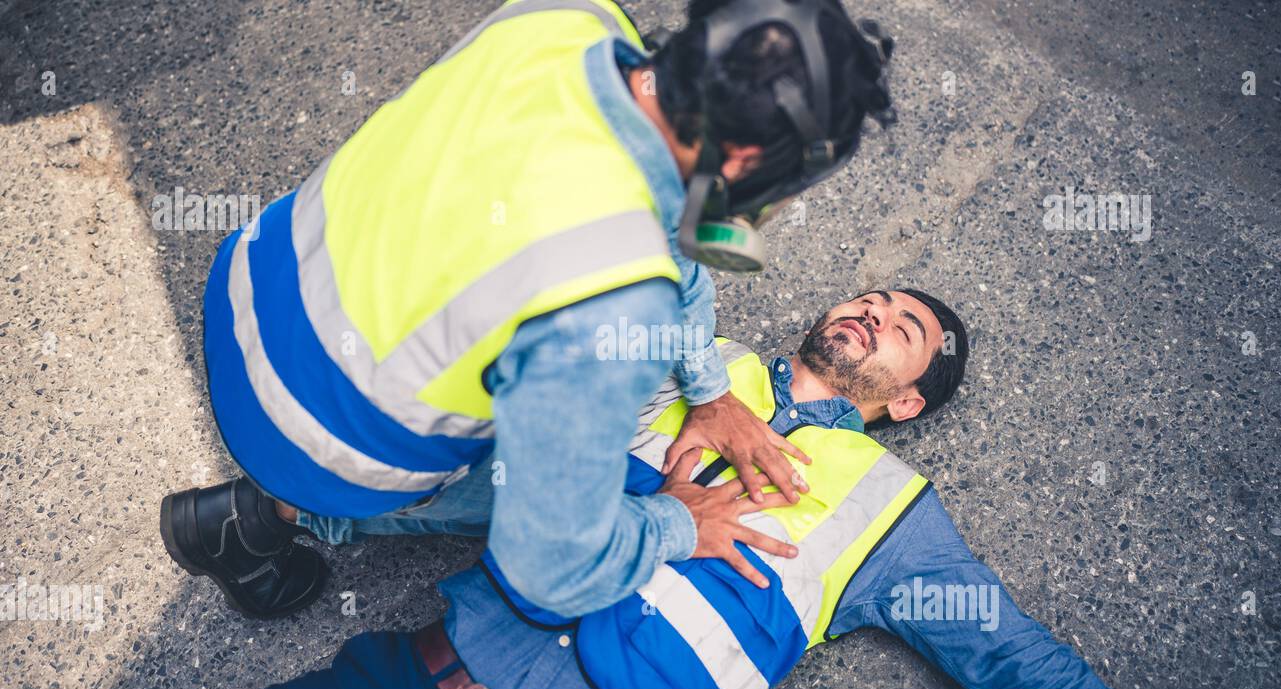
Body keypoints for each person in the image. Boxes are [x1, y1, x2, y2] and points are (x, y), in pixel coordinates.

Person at [161, 0, 900, 620]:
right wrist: (675, 523)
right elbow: (552, 570)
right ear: (741, 166)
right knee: (589, 488)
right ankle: (262, 520)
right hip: (307, 429)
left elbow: (645, 191)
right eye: (789, 187)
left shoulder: (569, 17)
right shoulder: (615, 303)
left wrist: (708, 388)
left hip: (252, 288)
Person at [269, 290, 1109, 689]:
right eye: (874, 300)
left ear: (907, 400)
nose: (874, 315)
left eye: (903, 332)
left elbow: (1013, 660)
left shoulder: (889, 503)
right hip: (416, 668)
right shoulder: (699, 347)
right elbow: (513, 458)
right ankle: (273, 513)